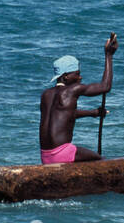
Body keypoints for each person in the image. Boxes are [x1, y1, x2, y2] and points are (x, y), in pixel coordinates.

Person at [39, 34, 118, 163]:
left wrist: (93, 113)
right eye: (77, 74)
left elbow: (65, 115)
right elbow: (105, 86)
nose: (80, 78)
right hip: (62, 152)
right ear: (65, 77)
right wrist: (109, 55)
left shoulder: (45, 95)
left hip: (45, 156)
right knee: (101, 161)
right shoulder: (72, 90)